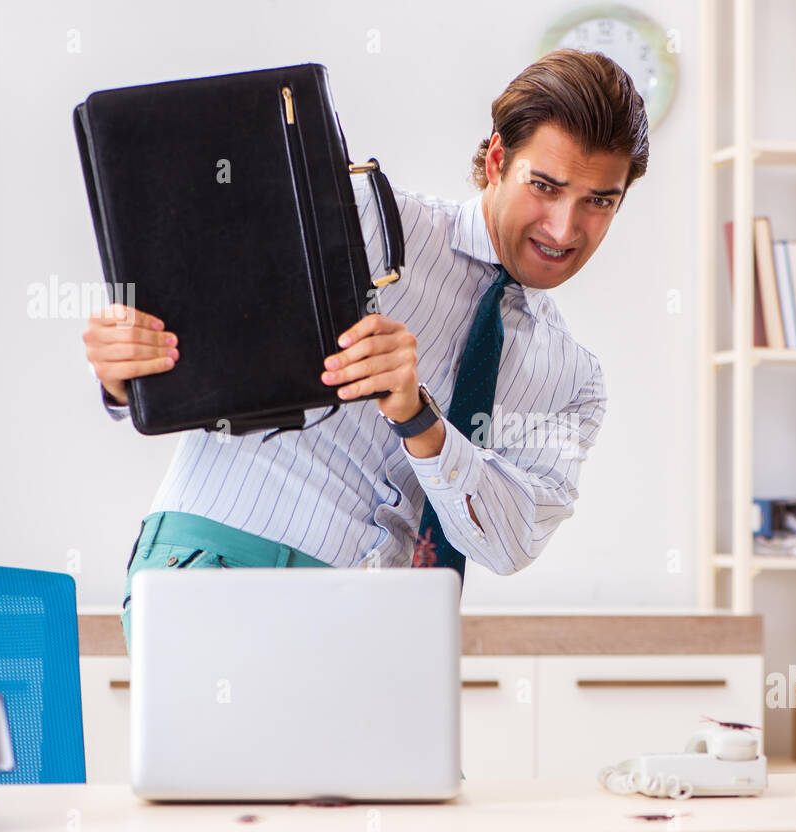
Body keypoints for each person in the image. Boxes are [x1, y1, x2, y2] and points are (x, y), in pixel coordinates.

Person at [82, 49, 650, 652]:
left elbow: (507, 544)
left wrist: (420, 420)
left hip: (371, 629)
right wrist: (127, 371)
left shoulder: (573, 379)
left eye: (598, 201)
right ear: (496, 159)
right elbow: (203, 332)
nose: (564, 229)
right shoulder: (361, 222)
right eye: (545, 186)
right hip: (224, 559)